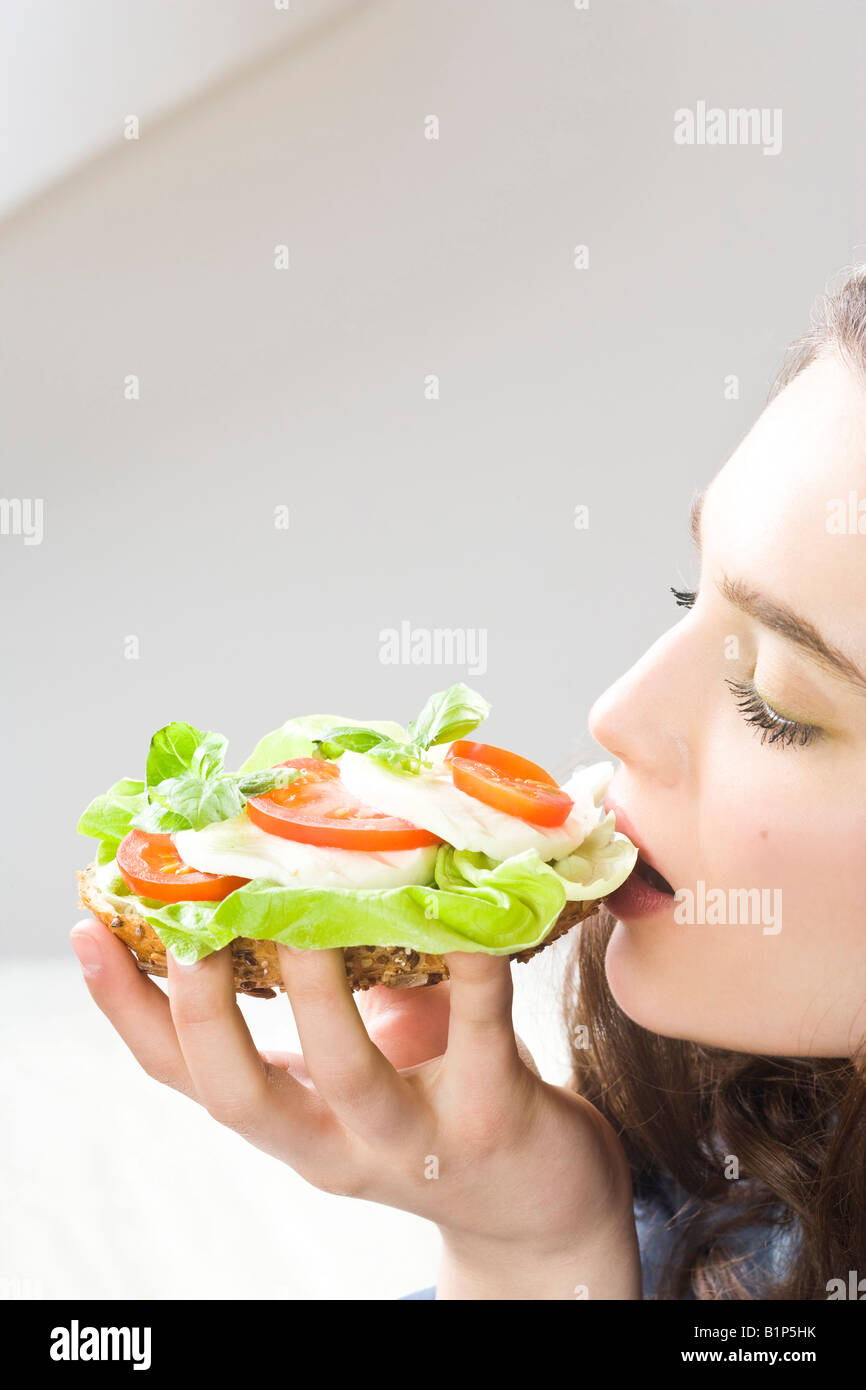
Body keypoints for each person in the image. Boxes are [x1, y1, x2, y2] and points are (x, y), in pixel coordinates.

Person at [70, 268, 866, 1300]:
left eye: (773, 700)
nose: (615, 712)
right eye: (688, 594)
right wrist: (531, 1245)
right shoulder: (722, 1181)